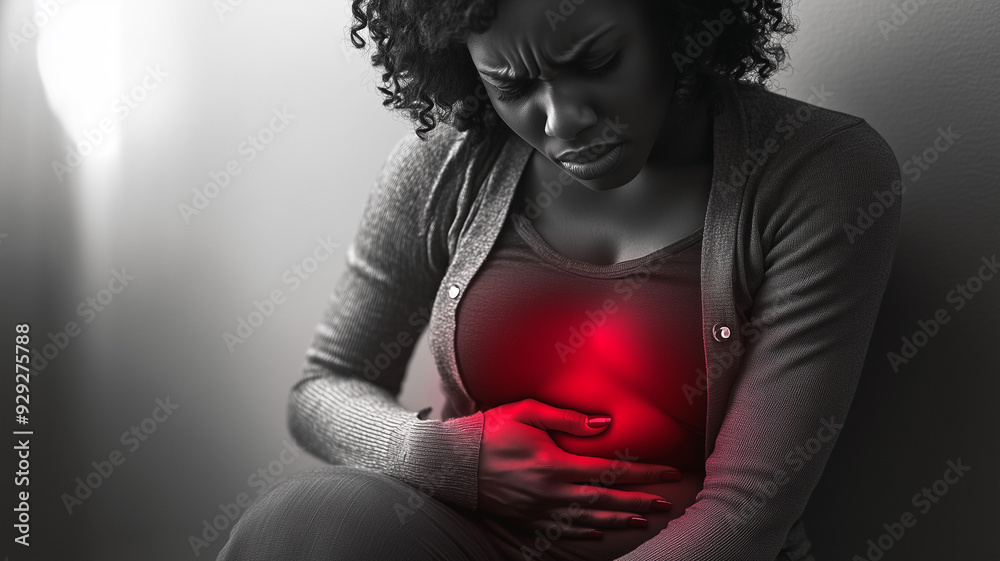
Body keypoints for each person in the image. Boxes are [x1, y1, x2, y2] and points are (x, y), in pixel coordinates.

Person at [218, 0, 901, 559]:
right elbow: (323, 386)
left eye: (597, 61)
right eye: (512, 86)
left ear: (672, 21)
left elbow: (748, 510)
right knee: (302, 522)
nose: (562, 118)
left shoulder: (820, 172)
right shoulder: (447, 163)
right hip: (469, 536)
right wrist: (446, 456)